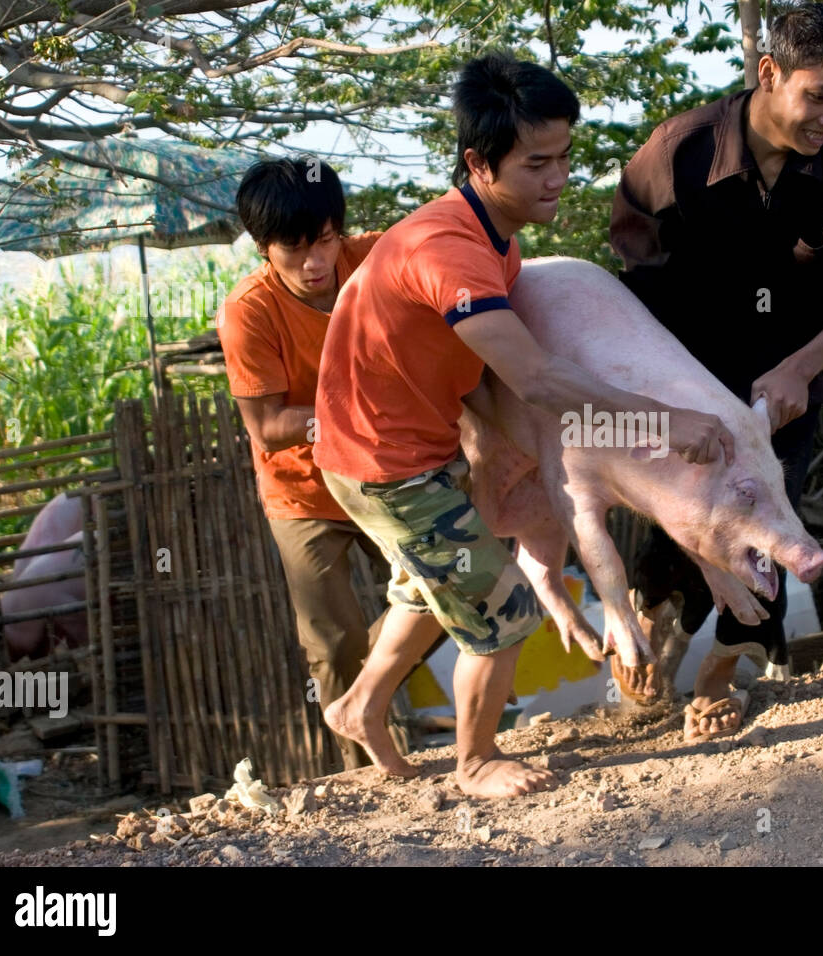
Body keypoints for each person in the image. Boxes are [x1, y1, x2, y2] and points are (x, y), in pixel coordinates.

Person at [312, 51, 735, 798]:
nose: (558, 177)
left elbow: (478, 376)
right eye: (538, 162)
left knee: (427, 586)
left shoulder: (493, 238)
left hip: (414, 446)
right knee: (502, 606)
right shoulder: (451, 250)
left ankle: (359, 704)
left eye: (565, 156)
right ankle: (475, 762)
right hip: (383, 460)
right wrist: (668, 423)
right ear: (479, 163)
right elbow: (535, 377)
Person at [609, 1, 823, 740]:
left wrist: (799, 368)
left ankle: (719, 676)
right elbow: (629, 285)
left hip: (785, 388)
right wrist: (661, 394)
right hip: (682, 384)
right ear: (770, 73)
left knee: (772, 524)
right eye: (819, 95)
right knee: (678, 528)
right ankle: (652, 617)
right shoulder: (678, 151)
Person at [218, 157, 406, 770]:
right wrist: (355, 410)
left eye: (325, 240)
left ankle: (366, 691)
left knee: (444, 588)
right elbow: (268, 428)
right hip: (302, 493)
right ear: (262, 246)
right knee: (331, 643)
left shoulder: (375, 256)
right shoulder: (248, 311)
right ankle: (365, 777)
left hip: (387, 472)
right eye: (294, 249)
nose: (316, 262)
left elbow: (448, 241)